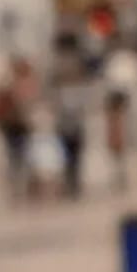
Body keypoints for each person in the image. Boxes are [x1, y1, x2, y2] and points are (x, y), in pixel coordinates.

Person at [0, 56, 35, 200]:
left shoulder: (26, 84)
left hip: (21, 127)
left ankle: (20, 185)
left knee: (21, 156)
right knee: (14, 157)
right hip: (12, 126)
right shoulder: (9, 85)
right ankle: (16, 186)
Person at [103, 46, 137, 190]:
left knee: (125, 155)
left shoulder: (130, 63)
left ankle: (123, 177)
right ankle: (119, 177)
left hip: (126, 138)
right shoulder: (112, 115)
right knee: (118, 156)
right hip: (117, 143)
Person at [51, 54, 88, 199]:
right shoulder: (58, 91)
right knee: (66, 159)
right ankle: (69, 182)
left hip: (76, 129)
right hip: (64, 130)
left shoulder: (79, 90)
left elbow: (83, 109)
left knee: (76, 158)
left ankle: (75, 183)